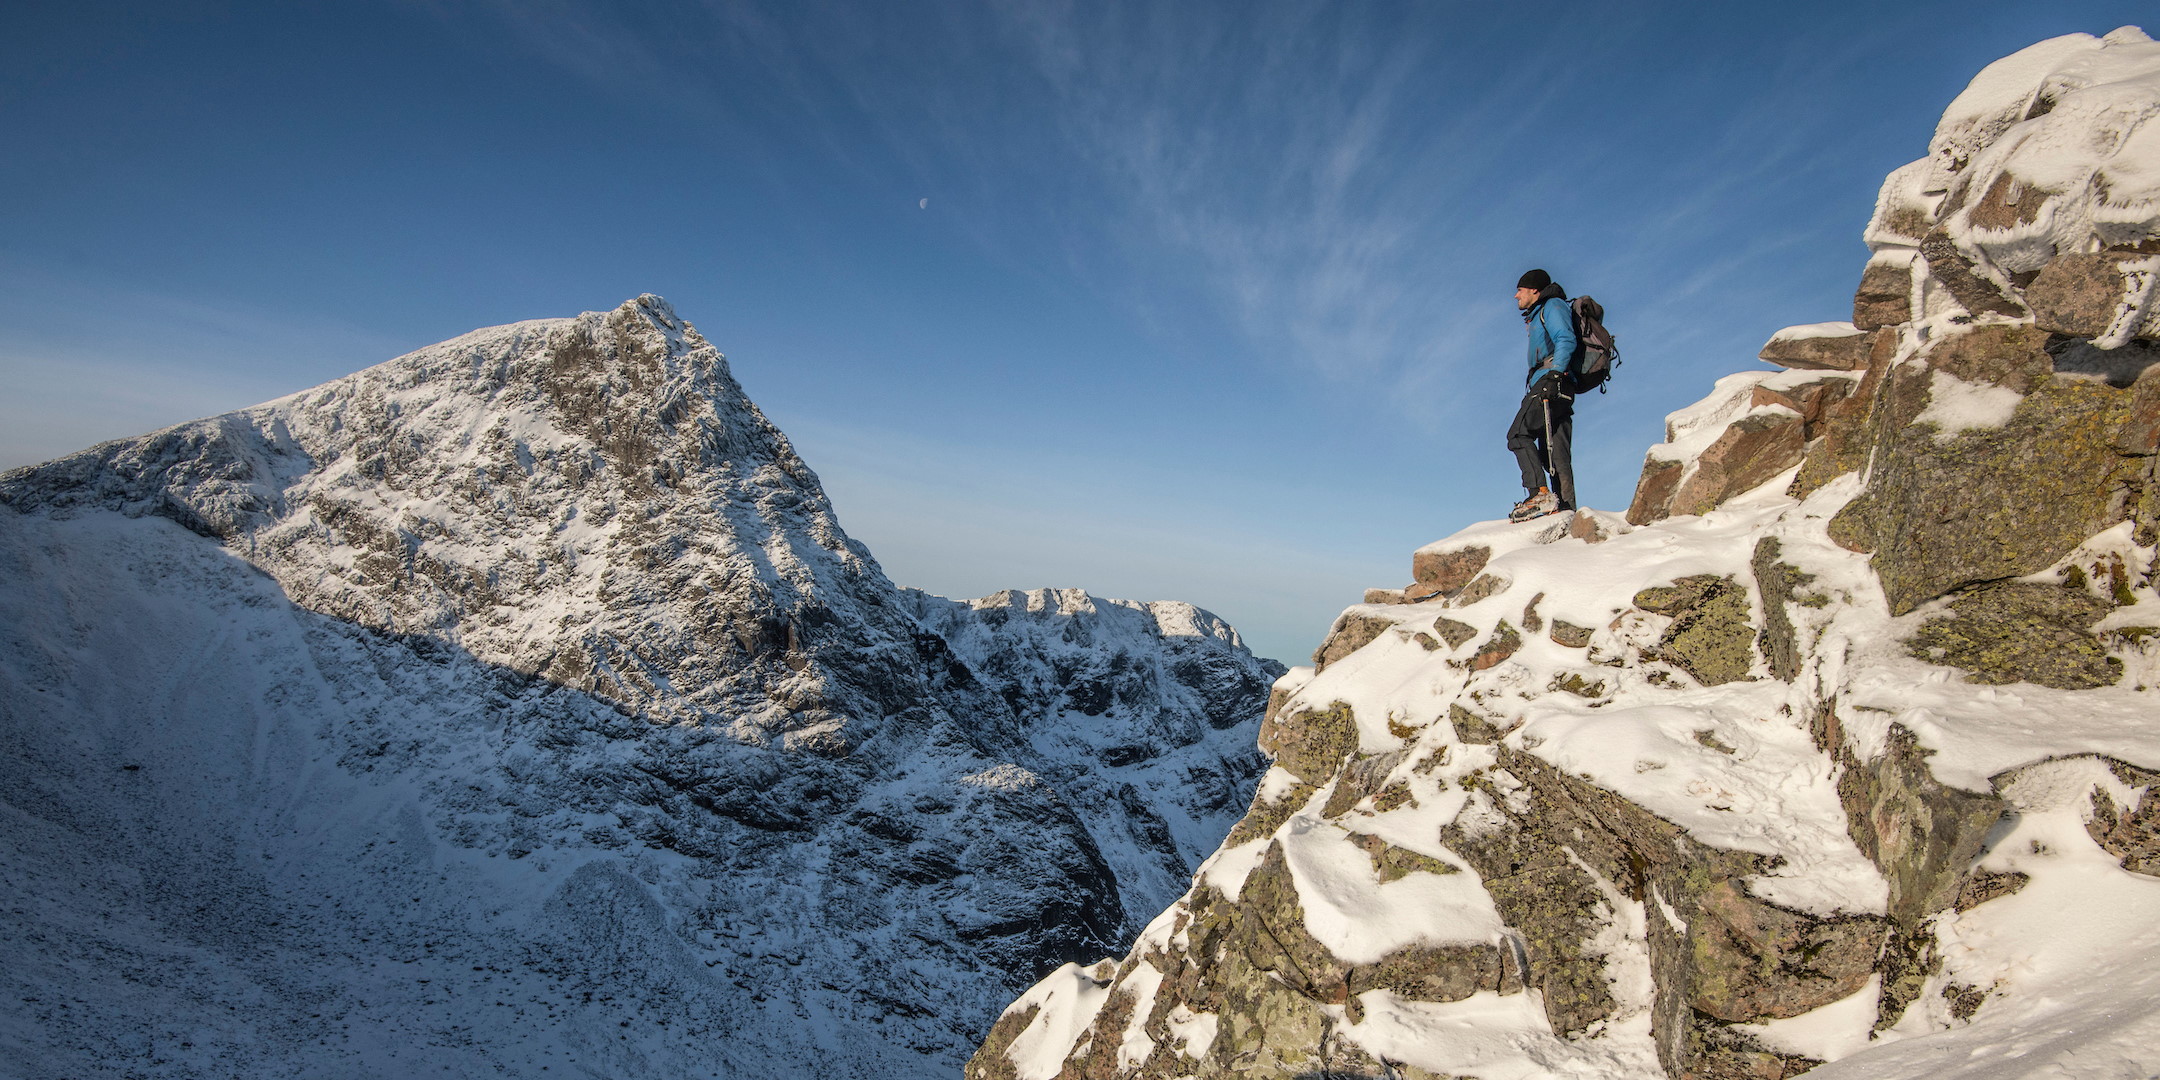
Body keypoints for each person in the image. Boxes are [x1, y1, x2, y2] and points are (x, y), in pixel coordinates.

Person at [1507, 268, 1577, 521]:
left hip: (1551, 381)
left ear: (1534, 289)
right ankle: (1566, 510)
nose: (1516, 296)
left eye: (1520, 290)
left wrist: (1555, 374)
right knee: (1556, 455)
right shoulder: (1542, 311)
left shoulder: (1552, 307)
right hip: (1559, 384)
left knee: (1518, 434)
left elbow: (1565, 339)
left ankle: (1539, 493)